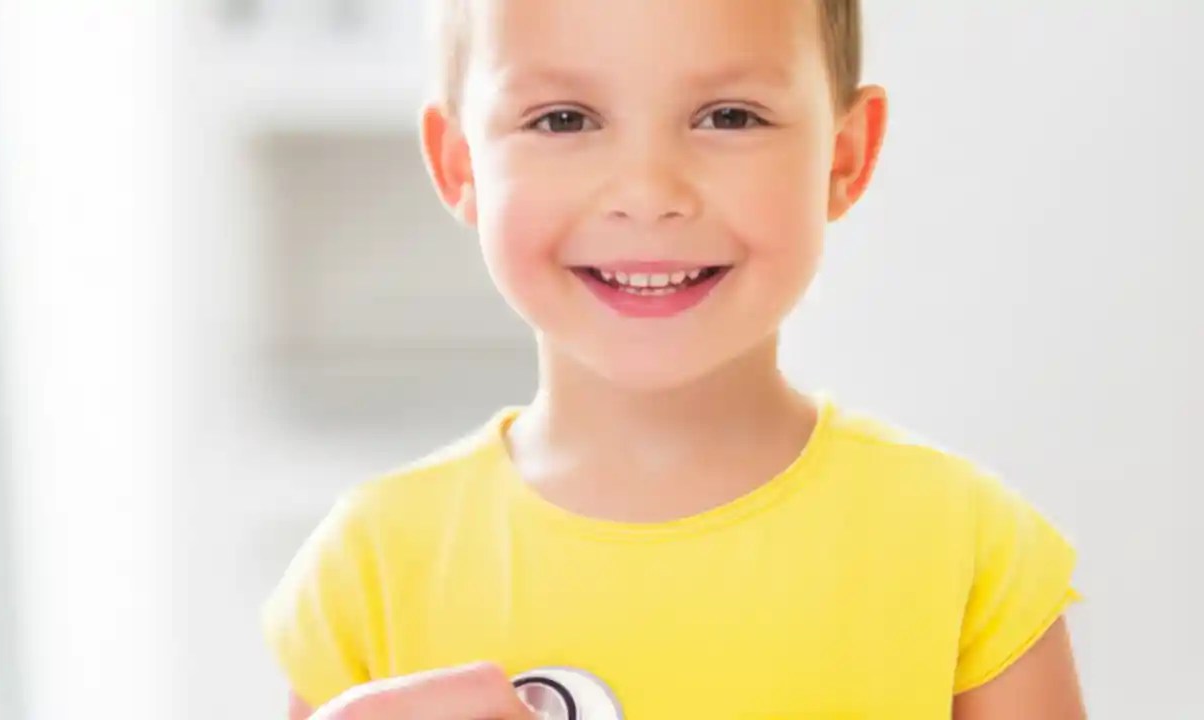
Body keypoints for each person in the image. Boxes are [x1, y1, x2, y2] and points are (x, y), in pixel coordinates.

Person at [261, 0, 1086, 717]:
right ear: (460, 163)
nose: (649, 191)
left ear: (844, 157)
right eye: (563, 119)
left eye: (729, 117)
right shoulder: (371, 569)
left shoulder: (964, 550)